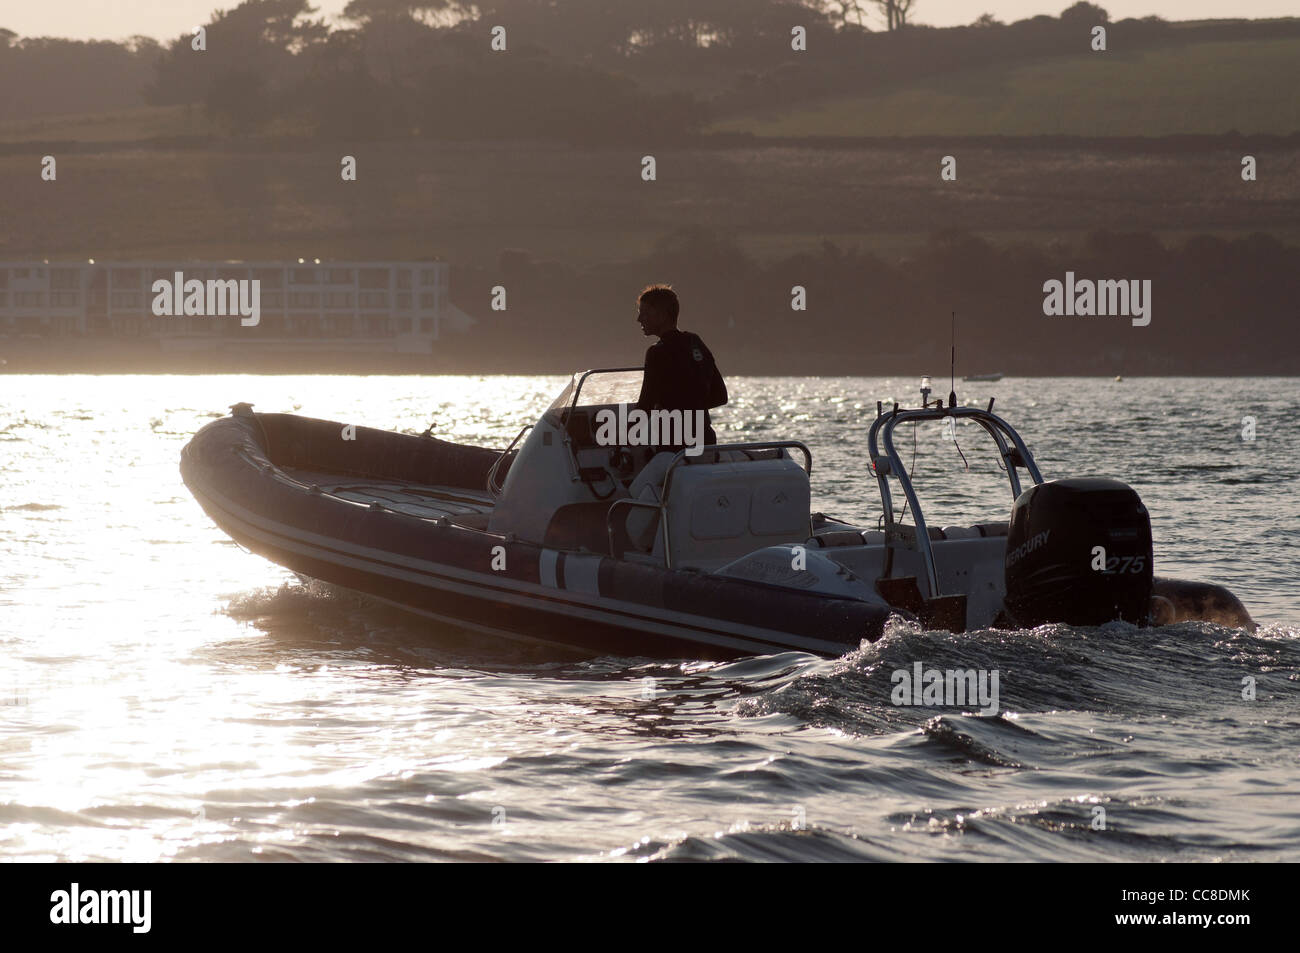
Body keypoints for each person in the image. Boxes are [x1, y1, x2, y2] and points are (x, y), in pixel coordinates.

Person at [633, 284, 727, 449]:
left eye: (644, 313)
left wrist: (620, 440)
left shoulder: (657, 352)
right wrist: (692, 408)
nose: (639, 319)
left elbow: (645, 405)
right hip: (706, 443)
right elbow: (720, 396)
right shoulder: (694, 342)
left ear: (662, 316)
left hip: (675, 449)